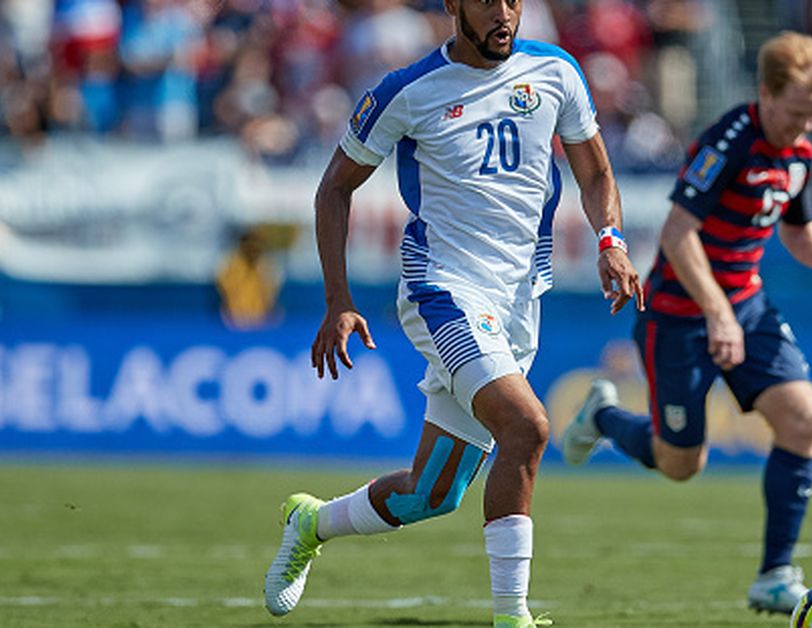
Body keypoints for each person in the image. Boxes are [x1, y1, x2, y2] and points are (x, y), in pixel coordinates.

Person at [261, 1, 644, 626]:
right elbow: (334, 186)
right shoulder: (407, 91)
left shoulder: (556, 71)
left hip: (519, 299)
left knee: (431, 493)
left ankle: (311, 522)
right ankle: (512, 617)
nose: (503, 13)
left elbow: (596, 169)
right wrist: (339, 300)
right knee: (528, 427)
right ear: (452, 5)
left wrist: (611, 242)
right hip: (443, 291)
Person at [560, 31, 812, 615]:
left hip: (746, 305)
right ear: (766, 94)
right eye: (797, 111)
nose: (804, 125)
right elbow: (678, 234)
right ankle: (602, 415)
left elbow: (797, 229)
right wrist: (716, 312)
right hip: (679, 315)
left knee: (805, 421)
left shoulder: (799, 154)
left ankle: (775, 575)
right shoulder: (730, 141)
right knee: (681, 464)